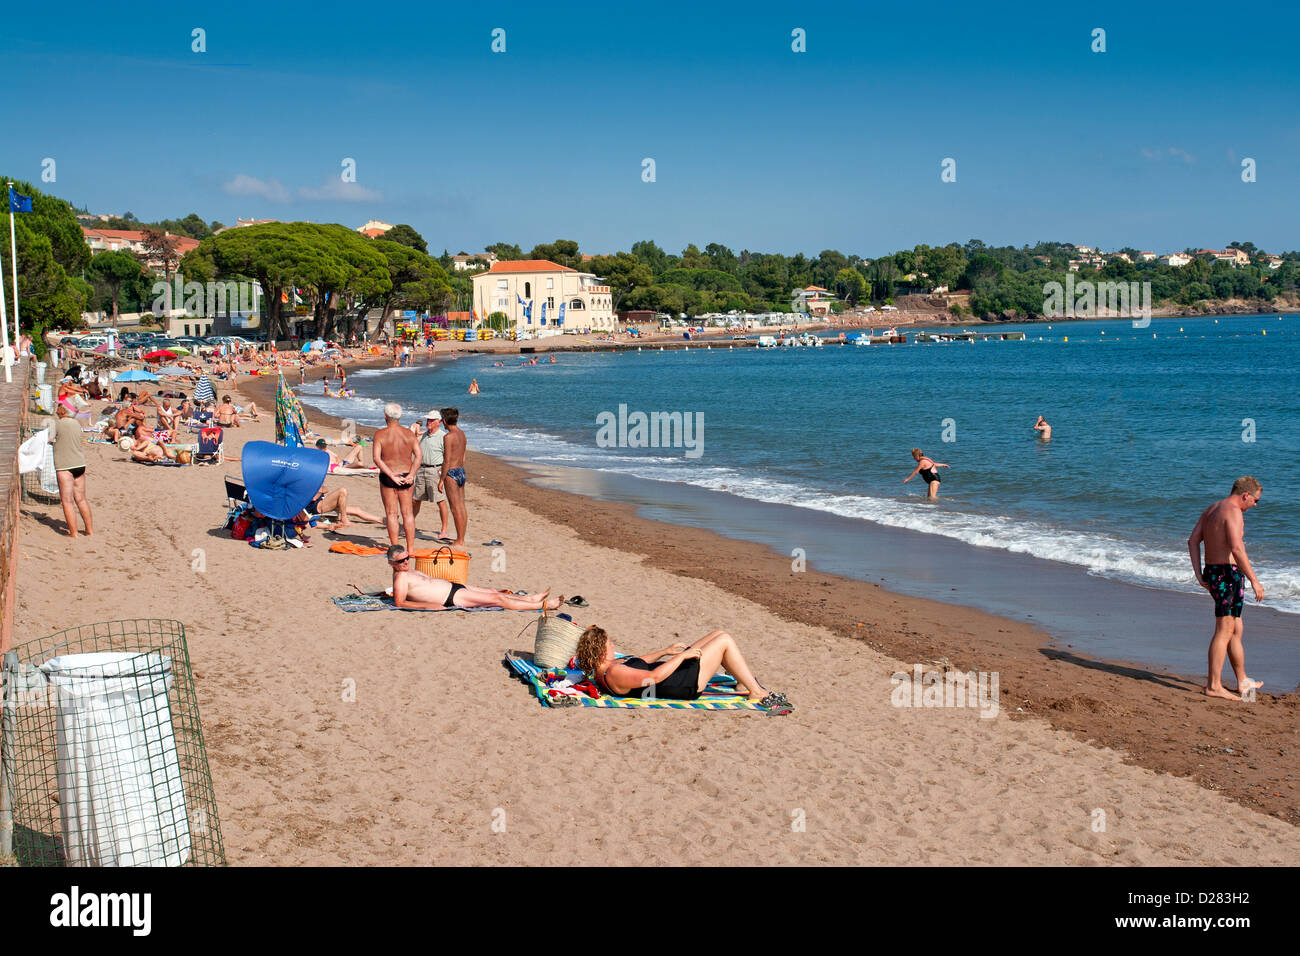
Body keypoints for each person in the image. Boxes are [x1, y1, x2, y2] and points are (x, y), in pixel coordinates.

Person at [574, 625, 792, 713]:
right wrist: (682, 657)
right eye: (609, 644)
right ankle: (756, 692)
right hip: (681, 684)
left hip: (674, 673)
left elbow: (637, 661)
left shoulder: (605, 667)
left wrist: (664, 651)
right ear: (601, 650)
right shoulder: (614, 673)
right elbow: (653, 676)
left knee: (718, 632)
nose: (613, 646)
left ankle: (742, 680)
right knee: (724, 641)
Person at [1188, 477, 1266, 701]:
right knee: (1224, 629)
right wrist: (1254, 580)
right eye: (1256, 500)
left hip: (1214, 573)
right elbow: (1236, 548)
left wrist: (1199, 573)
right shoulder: (1233, 511)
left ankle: (1242, 680)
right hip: (1227, 575)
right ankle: (1213, 685)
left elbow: (1192, 541)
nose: (1255, 505)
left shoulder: (1212, 509)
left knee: (1235, 628)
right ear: (1245, 495)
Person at [386, 545, 562, 611]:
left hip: (454, 587)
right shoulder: (400, 577)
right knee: (498, 599)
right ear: (392, 563)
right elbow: (399, 603)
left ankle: (529, 598)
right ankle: (544, 605)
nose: (406, 562)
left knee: (493, 591)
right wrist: (429, 606)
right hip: (451, 597)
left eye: (408, 557)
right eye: (401, 560)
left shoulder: (407, 572)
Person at [372, 402, 422, 556]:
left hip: (389, 476)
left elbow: (376, 458)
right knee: (408, 513)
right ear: (400, 417)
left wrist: (391, 474)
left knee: (392, 514)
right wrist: (412, 474)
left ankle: (395, 547)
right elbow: (419, 456)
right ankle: (411, 548)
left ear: (385, 416)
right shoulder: (409, 434)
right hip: (406, 475)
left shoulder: (380, 434)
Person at [50, 404, 94, 537]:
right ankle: (89, 530)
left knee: (67, 500)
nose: (56, 409)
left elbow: (49, 439)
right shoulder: (77, 424)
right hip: (79, 463)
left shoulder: (56, 424)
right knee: (81, 499)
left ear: (62, 410)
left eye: (58, 407)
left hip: (64, 465)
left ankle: (73, 533)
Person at [411, 410, 452, 541]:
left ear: (438, 422)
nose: (428, 422)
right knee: (416, 499)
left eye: (430, 420)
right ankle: (409, 524)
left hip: (435, 471)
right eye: (427, 420)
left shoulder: (443, 436)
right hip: (421, 470)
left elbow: (447, 458)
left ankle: (444, 530)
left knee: (440, 501)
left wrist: (442, 477)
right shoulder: (424, 436)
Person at [300, 482, 384, 531]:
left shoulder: (314, 481)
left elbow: (326, 489)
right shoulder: (303, 485)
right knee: (342, 491)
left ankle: (381, 520)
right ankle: (344, 518)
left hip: (324, 502)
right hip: (317, 507)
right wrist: (319, 490)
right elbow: (313, 498)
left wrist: (320, 489)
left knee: (356, 509)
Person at [439, 407, 468, 546]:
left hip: (451, 472)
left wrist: (441, 479)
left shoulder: (448, 437)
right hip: (461, 470)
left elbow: (447, 461)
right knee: (461, 506)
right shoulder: (462, 434)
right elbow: (463, 456)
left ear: (444, 421)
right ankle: (461, 537)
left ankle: (460, 540)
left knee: (455, 507)